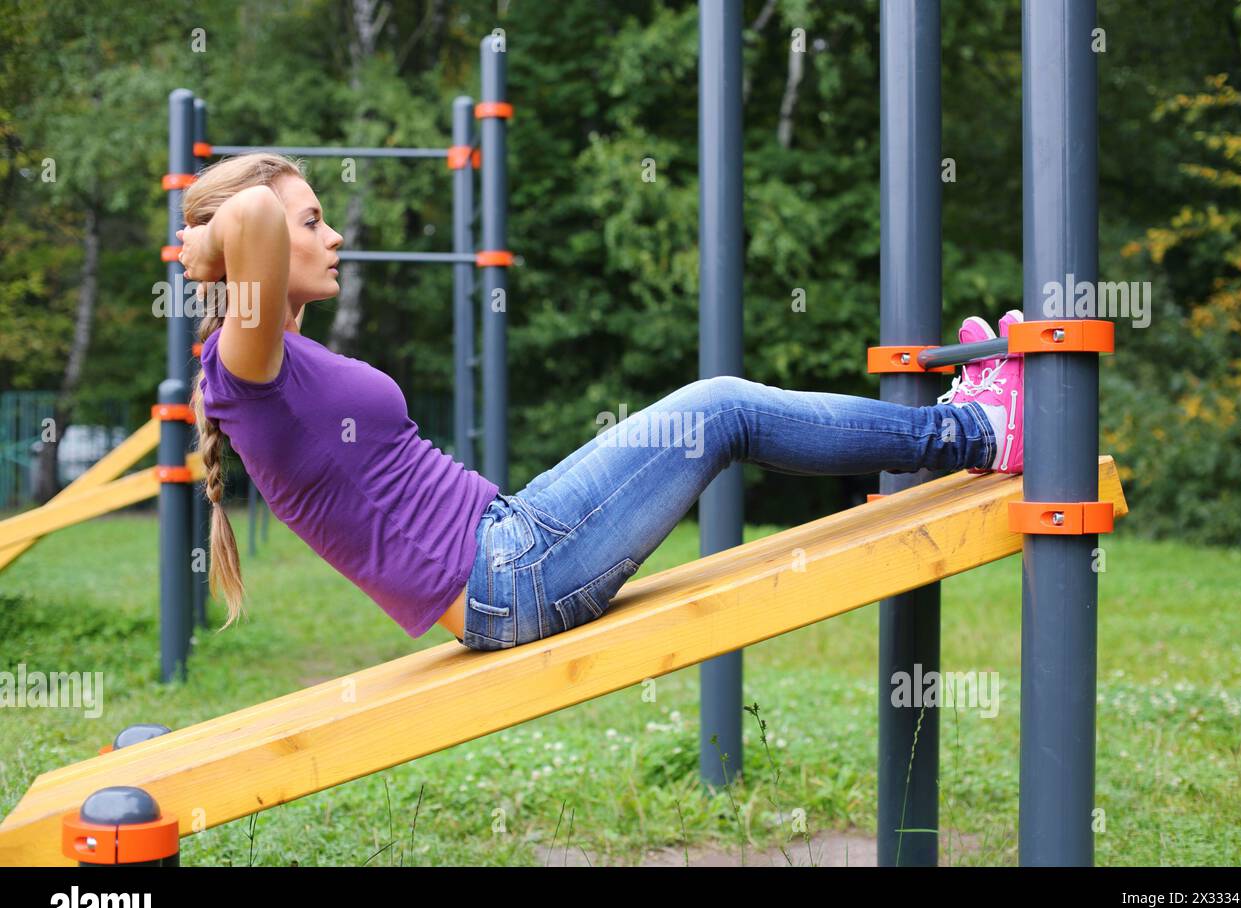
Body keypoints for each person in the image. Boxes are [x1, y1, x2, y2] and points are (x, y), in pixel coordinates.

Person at [178, 153, 1023, 652]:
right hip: (508, 572)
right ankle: (975, 430)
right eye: (314, 221)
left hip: (512, 542)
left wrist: (228, 240)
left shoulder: (276, 357)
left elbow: (258, 216)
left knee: (714, 406)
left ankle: (964, 427)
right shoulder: (239, 360)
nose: (334, 237)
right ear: (248, 253)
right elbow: (250, 208)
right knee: (720, 405)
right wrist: (212, 240)